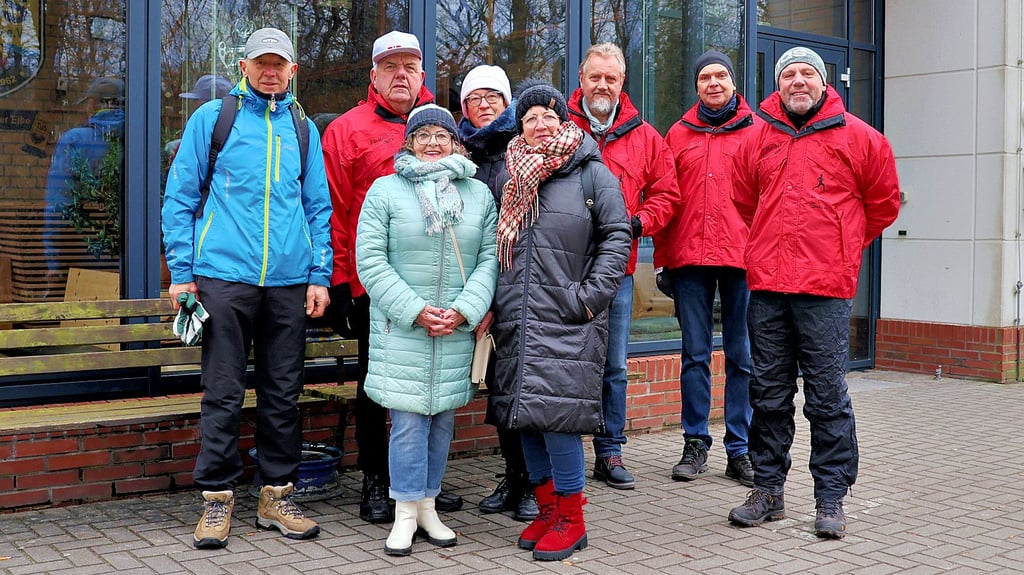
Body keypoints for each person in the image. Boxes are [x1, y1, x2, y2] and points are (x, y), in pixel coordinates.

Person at [161, 27, 332, 549]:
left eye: (280, 62)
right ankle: (217, 501)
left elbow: (318, 209)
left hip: (287, 282)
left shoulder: (303, 128)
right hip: (222, 279)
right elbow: (179, 199)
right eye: (262, 62)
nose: (270, 70)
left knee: (283, 395)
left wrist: (319, 275)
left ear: (293, 70)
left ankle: (275, 497)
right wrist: (182, 272)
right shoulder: (213, 119)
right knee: (223, 392)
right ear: (244, 66)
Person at [726, 47, 900, 539]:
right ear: (778, 85)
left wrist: (841, 243)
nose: (798, 80)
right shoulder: (757, 136)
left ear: (825, 84)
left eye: (807, 73)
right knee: (769, 394)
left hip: (825, 289)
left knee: (826, 396)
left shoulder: (863, 139)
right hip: (767, 288)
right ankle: (768, 491)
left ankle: (830, 497)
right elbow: (743, 199)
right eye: (789, 74)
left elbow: (883, 204)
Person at [484, 81, 630, 561]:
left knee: (558, 421)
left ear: (564, 120)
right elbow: (494, 245)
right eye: (529, 119)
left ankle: (573, 517)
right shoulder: (509, 176)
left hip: (567, 316)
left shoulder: (592, 173)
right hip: (517, 318)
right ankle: (547, 510)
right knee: (525, 418)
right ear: (520, 127)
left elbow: (617, 237)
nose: (540, 125)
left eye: (548, 115)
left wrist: (588, 299)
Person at [321, 30, 462, 523]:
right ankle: (378, 481)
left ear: (423, 74)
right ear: (373, 76)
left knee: (434, 387)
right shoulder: (346, 131)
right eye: (391, 66)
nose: (401, 74)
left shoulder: (445, 128)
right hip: (375, 288)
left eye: (410, 66)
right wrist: (339, 283)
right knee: (376, 388)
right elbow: (334, 212)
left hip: (441, 288)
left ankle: (423, 485)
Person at [356, 104, 498, 556]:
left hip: (454, 327)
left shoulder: (477, 194)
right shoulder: (385, 191)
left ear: (456, 142)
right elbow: (371, 262)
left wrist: (464, 309)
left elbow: (491, 259)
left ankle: (428, 506)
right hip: (405, 328)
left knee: (442, 423)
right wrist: (416, 310)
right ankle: (403, 513)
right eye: (424, 135)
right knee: (409, 423)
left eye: (442, 134)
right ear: (409, 142)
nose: (433, 142)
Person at [566, 43, 680, 490]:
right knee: (566, 362)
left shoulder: (646, 136)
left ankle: (609, 450)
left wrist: (636, 224)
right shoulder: (559, 127)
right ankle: (566, 448)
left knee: (613, 366)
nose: (602, 85)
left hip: (618, 270)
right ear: (581, 81)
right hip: (565, 268)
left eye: (611, 78)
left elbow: (667, 195)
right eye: (595, 77)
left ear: (622, 83)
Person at [658, 50, 757, 487]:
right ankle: (695, 442)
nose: (713, 82)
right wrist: (662, 260)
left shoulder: (758, 131)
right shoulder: (677, 134)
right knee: (694, 355)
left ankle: (741, 447)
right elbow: (663, 194)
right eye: (705, 77)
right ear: (696, 87)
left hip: (743, 259)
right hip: (689, 259)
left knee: (743, 356)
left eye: (721, 75)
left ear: (733, 83)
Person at [456, 64, 537, 521]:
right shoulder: (459, 151)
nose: (483, 105)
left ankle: (531, 482)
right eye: (474, 98)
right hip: (478, 285)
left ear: (507, 103)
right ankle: (513, 475)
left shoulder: (523, 149)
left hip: (521, 286)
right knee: (499, 389)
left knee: (522, 387)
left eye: (493, 96)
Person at [44, 77, 125, 272]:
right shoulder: (141, 135)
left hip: (83, 254)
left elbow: (58, 203)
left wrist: (52, 261)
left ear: (94, 103)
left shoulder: (75, 139)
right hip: (131, 260)